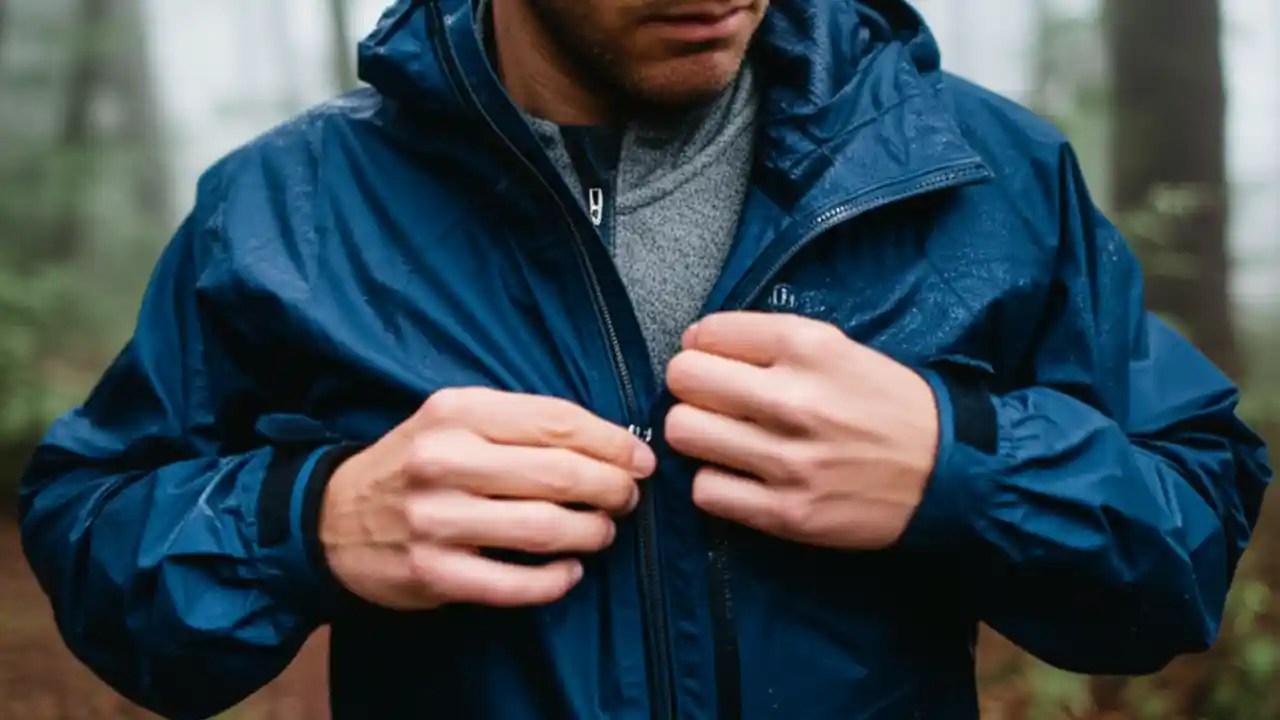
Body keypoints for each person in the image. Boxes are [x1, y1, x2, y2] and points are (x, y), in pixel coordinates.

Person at [18, 0, 1272, 717]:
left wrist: (968, 467)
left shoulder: (982, 173)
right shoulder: (287, 207)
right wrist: (306, 520)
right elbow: (95, 527)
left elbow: (1183, 540)